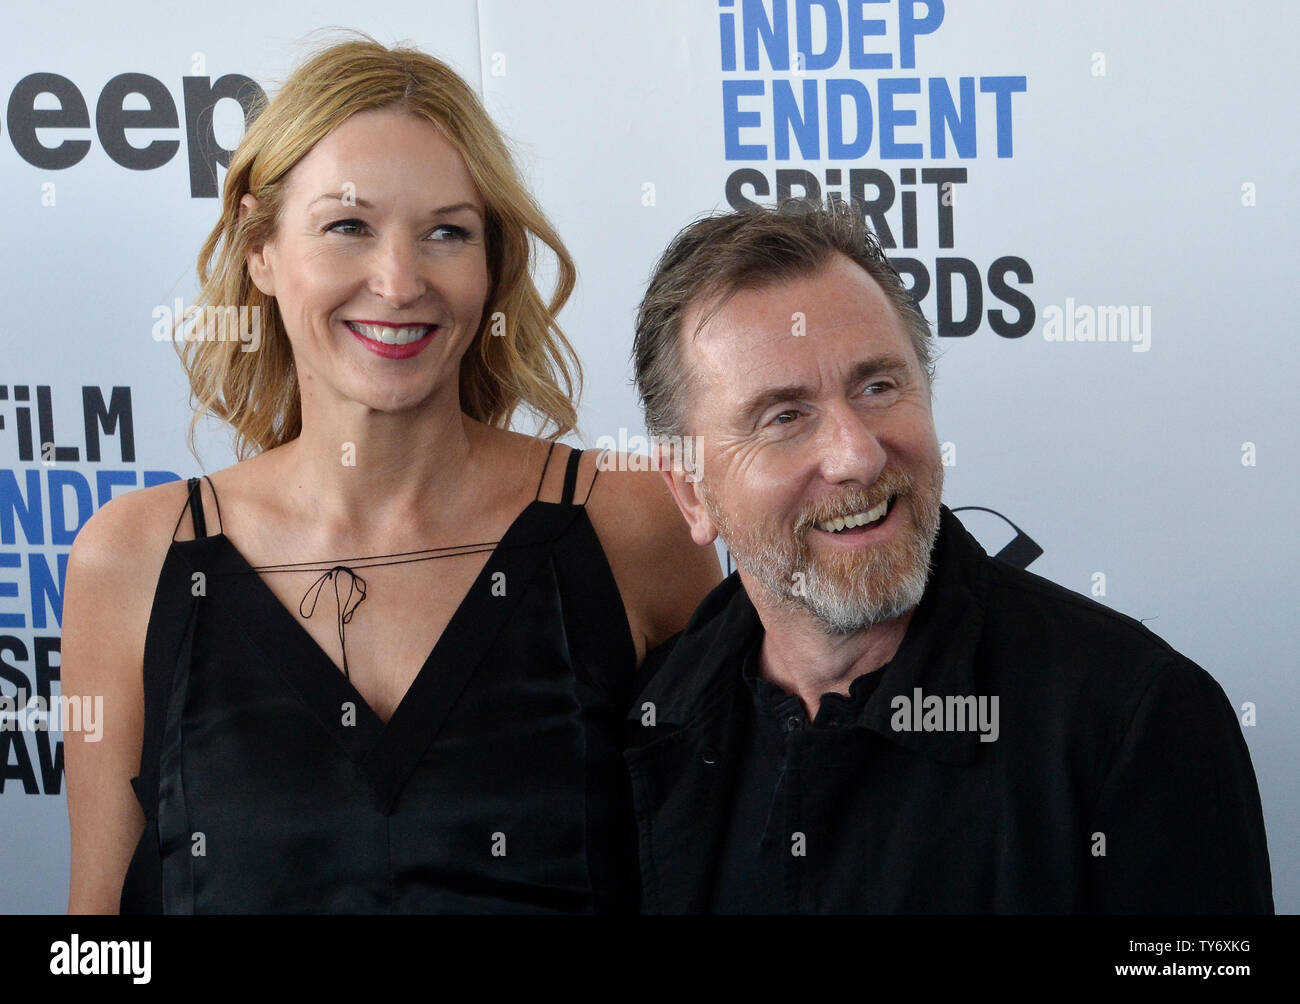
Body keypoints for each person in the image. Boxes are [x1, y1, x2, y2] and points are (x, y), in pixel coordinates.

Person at [61, 37, 720, 914]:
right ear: (261, 249)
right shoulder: (133, 558)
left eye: (447, 231)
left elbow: (718, 873)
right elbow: (95, 934)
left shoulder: (631, 523)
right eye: (348, 227)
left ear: (490, 266)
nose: (399, 280)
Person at [626, 199, 1274, 914]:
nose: (858, 455)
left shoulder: (1133, 721)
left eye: (878, 387)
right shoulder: (646, 720)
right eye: (785, 416)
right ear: (691, 491)